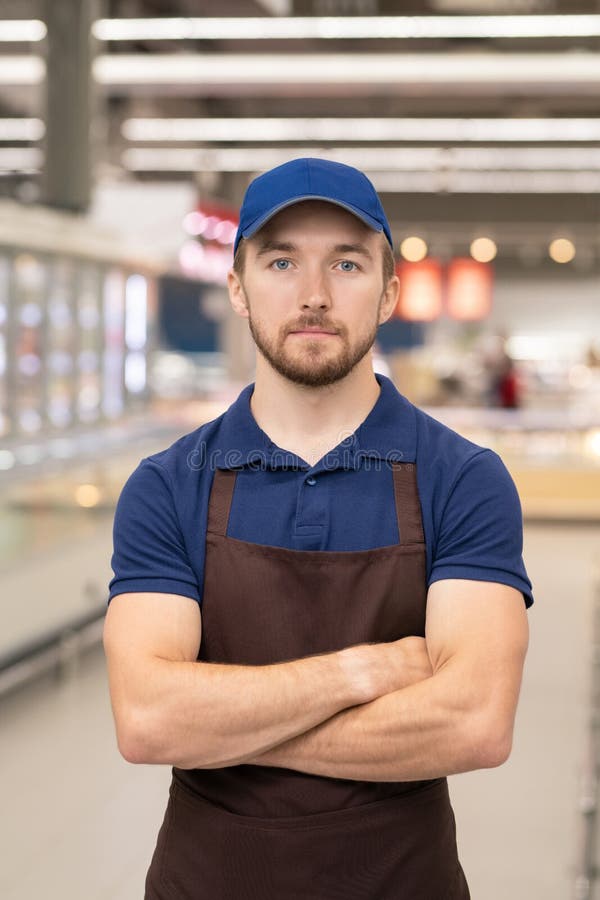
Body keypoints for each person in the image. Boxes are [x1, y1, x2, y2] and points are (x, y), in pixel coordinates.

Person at [103, 157, 533, 900]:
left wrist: (233, 729)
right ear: (237, 288)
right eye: (279, 261)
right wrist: (358, 674)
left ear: (390, 290)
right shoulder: (167, 486)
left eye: (345, 262)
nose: (313, 295)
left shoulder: (463, 478)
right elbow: (148, 719)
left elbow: (473, 723)